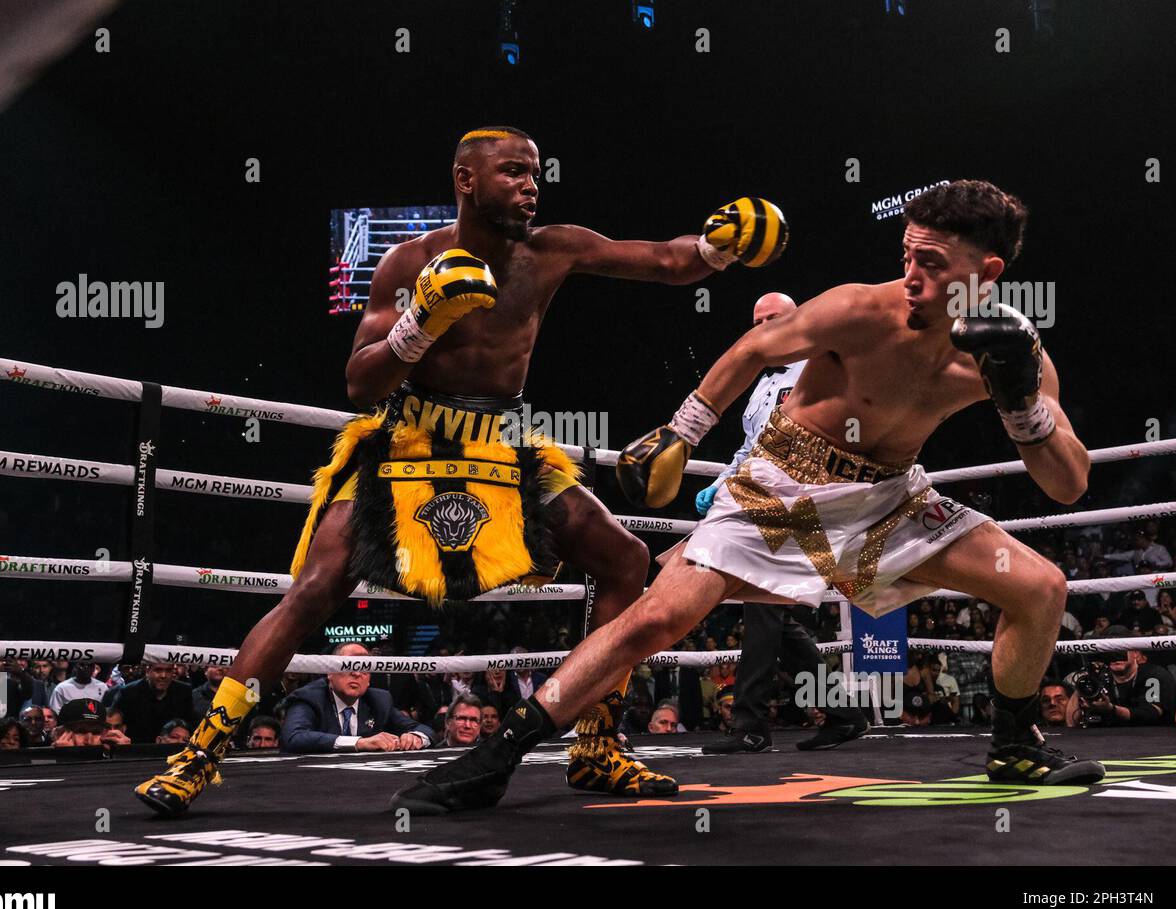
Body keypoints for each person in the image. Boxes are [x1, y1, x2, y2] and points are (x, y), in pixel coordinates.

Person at [395, 179, 1106, 813]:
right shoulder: (860, 308)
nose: (911, 276)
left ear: (987, 273)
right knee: (658, 619)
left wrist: (1024, 411)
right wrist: (683, 429)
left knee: (1040, 586)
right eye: (907, 256)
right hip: (782, 484)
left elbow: (1068, 484)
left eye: (932, 264)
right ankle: (495, 758)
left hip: (889, 499)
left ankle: (1016, 746)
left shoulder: (1011, 351)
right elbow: (755, 349)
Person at [136, 124, 787, 815]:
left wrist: (717, 249)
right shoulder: (408, 262)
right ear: (466, 180)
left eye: (534, 173)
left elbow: (663, 260)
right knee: (318, 585)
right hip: (411, 439)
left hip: (502, 445)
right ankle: (200, 755)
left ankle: (597, 746)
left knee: (624, 558)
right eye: (512, 172)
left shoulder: (552, 249)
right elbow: (360, 384)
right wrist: (419, 323)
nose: (530, 186)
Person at [699, 291, 869, 754]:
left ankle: (751, 726)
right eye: (757, 321)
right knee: (774, 615)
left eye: (774, 318)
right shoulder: (759, 385)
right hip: (763, 497)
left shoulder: (821, 368)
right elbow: (750, 447)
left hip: (804, 501)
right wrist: (721, 481)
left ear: (799, 320)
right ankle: (844, 712)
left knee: (762, 608)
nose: (765, 327)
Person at [280, 643, 433, 754]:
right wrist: (359, 743)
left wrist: (415, 737)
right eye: (349, 665)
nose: (357, 673)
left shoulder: (379, 700)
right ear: (330, 672)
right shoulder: (310, 697)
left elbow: (424, 730)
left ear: (369, 678)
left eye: (364, 667)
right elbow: (294, 737)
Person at [112, 662, 194, 744]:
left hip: (173, 750)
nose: (163, 675)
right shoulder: (128, 693)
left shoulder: (183, 691)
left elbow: (190, 723)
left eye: (168, 670)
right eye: (158, 670)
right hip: (136, 749)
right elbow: (115, 722)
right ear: (147, 671)